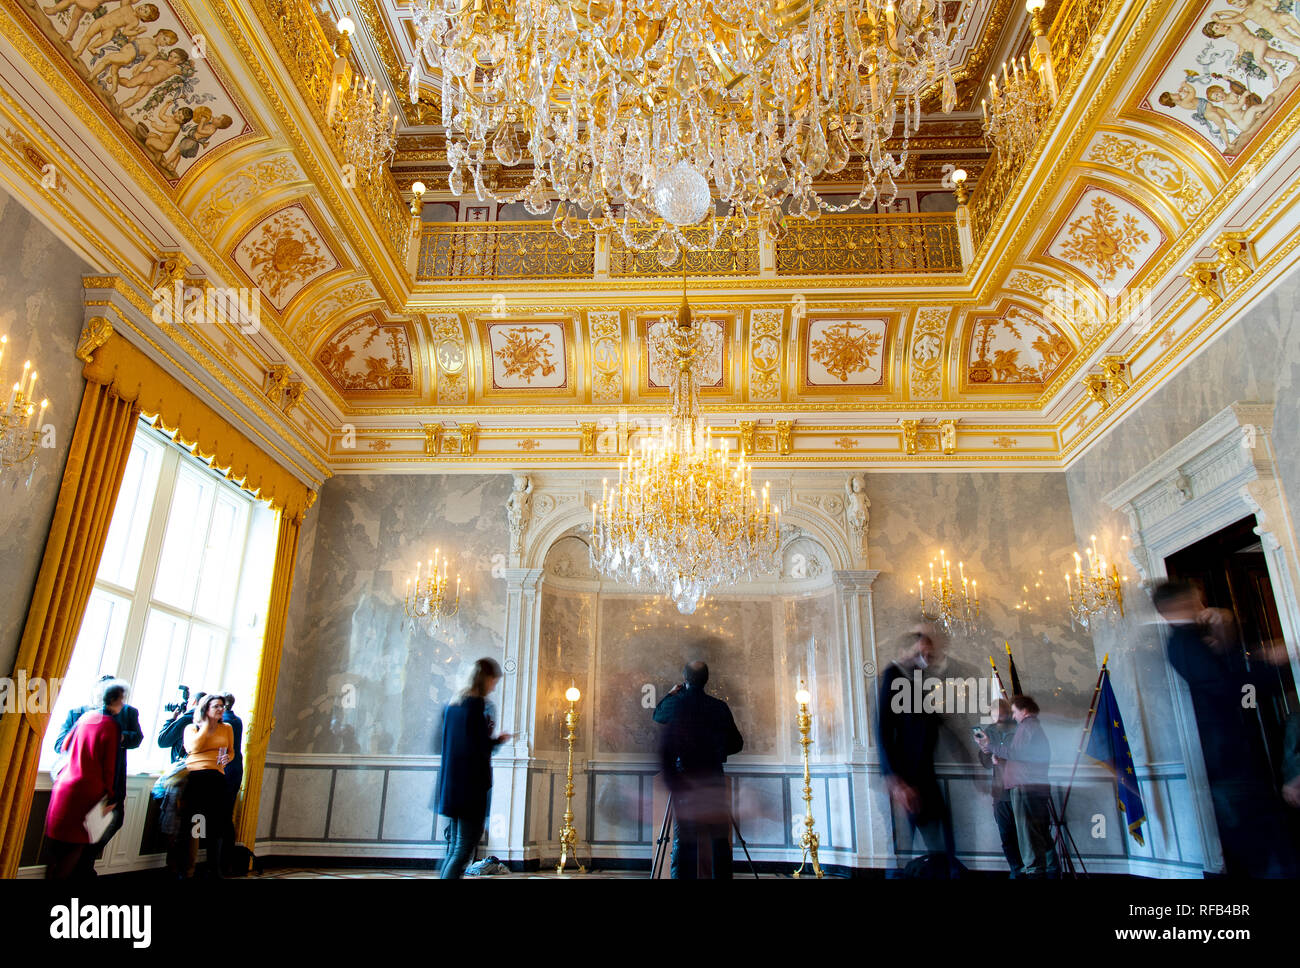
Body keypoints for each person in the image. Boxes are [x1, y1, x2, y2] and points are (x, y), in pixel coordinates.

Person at [1153, 579, 1296, 877]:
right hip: (1229, 761)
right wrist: (1271, 662)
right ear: (1180, 604)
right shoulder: (1185, 642)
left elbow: (1231, 679)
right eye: (1196, 601)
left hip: (1235, 758)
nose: (1203, 607)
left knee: (1268, 848)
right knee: (1264, 853)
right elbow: (1230, 689)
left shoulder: (1193, 638)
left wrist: (1226, 631)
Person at [652, 660, 744, 879]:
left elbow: (658, 715)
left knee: (683, 840)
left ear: (684, 680)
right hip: (713, 777)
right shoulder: (719, 707)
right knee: (719, 840)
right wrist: (717, 753)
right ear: (706, 680)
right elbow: (737, 743)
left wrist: (671, 694)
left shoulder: (677, 704)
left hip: (685, 778)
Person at [877, 626, 957, 876]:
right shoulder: (893, 677)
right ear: (906, 652)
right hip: (907, 778)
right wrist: (895, 779)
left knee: (938, 847)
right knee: (910, 851)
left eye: (928, 654)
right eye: (921, 652)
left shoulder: (917, 680)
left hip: (923, 773)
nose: (926, 658)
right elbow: (883, 730)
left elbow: (933, 721)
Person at [53, 673, 142, 876]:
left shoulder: (128, 713)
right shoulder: (77, 713)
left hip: (112, 782)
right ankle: (80, 870)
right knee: (75, 836)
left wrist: (119, 737)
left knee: (112, 821)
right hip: (80, 783)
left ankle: (84, 865)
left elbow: (137, 738)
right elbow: (60, 744)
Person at [434, 658, 512, 879]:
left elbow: (457, 744)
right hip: (470, 789)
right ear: (486, 679)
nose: (494, 687)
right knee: (462, 851)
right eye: (494, 682)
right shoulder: (475, 707)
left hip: (453, 787)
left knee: (454, 849)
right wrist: (496, 741)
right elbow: (477, 748)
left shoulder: (454, 705)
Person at [982, 695, 1059, 878]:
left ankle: (1036, 873)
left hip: (1025, 788)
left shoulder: (1026, 727)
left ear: (1023, 711)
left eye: (1014, 712)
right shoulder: (1032, 727)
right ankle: (1049, 872)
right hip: (1029, 787)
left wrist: (991, 746)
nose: (1014, 716)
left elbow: (1016, 752)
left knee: (1029, 839)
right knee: (1038, 835)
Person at [181, 694, 234, 878]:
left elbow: (232, 751)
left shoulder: (227, 728)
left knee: (216, 825)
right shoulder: (192, 728)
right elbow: (193, 748)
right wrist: (206, 726)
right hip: (197, 777)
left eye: (222, 706)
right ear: (205, 709)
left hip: (217, 777)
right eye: (216, 706)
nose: (221, 709)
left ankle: (214, 869)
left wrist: (229, 758)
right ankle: (189, 870)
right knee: (196, 824)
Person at [976, 698, 1021, 877]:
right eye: (995, 715)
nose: (998, 718)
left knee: (1025, 837)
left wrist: (1000, 754)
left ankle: (1030, 870)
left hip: (1019, 789)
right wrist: (985, 751)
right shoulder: (990, 731)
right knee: (1007, 837)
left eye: (1001, 714)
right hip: (999, 792)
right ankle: (1016, 869)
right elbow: (986, 764)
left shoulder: (1019, 729)